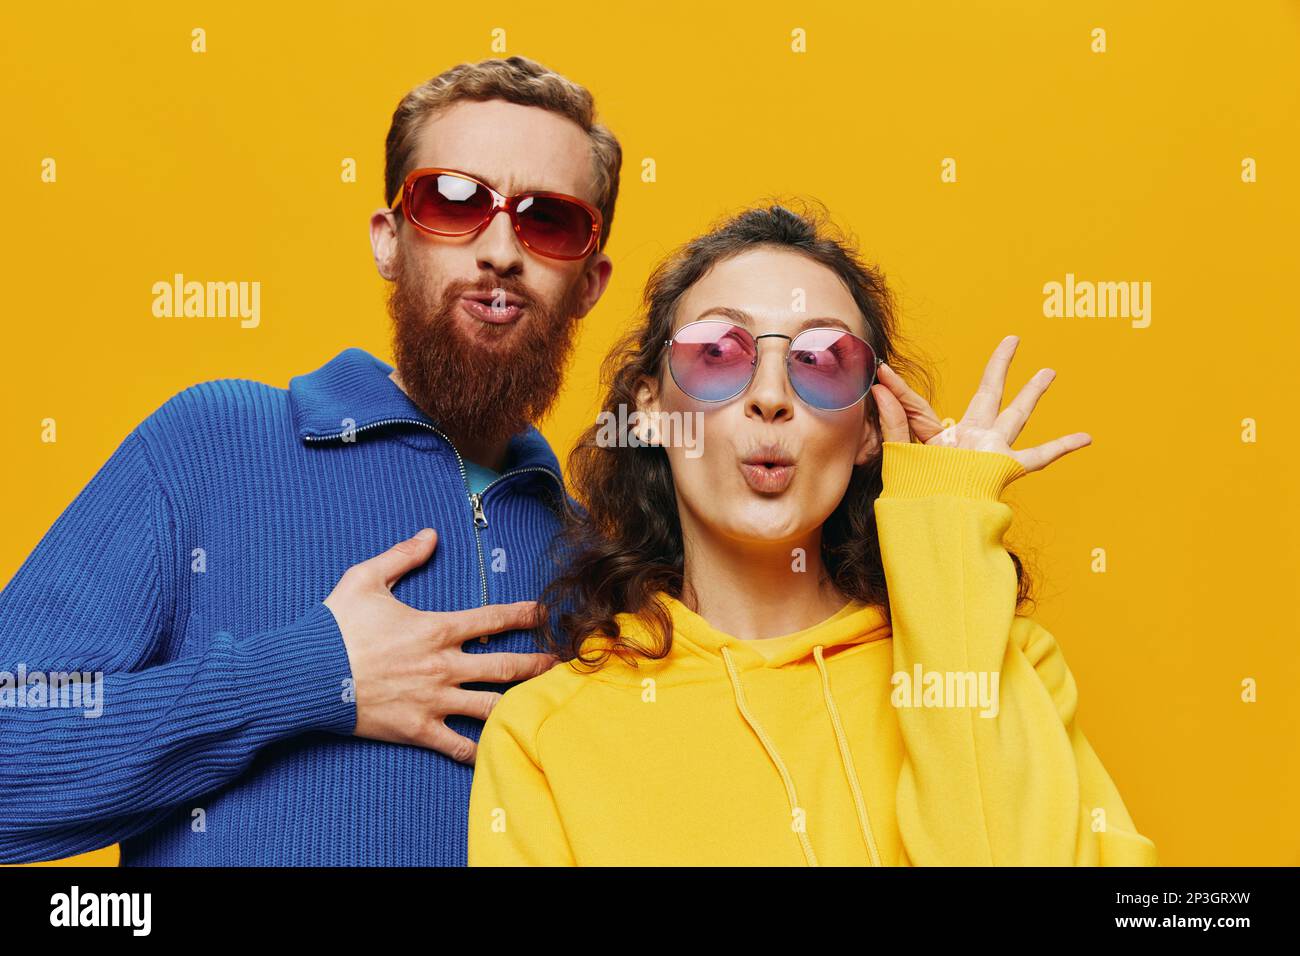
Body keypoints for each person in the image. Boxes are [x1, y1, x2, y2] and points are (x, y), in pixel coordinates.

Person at [0, 56, 618, 866]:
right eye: (454, 201)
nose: (500, 248)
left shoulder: (601, 563)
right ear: (389, 242)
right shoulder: (209, 446)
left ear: (590, 282)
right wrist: (310, 672)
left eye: (549, 220)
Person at [466, 202, 1159, 866]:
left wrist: (946, 524)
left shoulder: (1008, 667)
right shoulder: (546, 736)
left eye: (823, 361)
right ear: (649, 410)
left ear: (867, 428)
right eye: (717, 353)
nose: (771, 397)